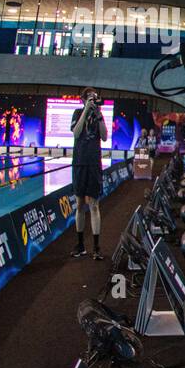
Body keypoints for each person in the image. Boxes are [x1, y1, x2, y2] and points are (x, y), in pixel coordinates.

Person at [70, 87, 108, 259]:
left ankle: (97, 247)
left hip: (93, 164)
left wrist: (98, 115)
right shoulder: (77, 113)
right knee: (79, 204)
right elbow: (76, 133)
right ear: (84, 99)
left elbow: (105, 136)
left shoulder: (99, 115)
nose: (93, 100)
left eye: (95, 98)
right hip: (79, 163)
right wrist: (86, 110)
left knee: (94, 205)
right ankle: (80, 245)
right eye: (90, 98)